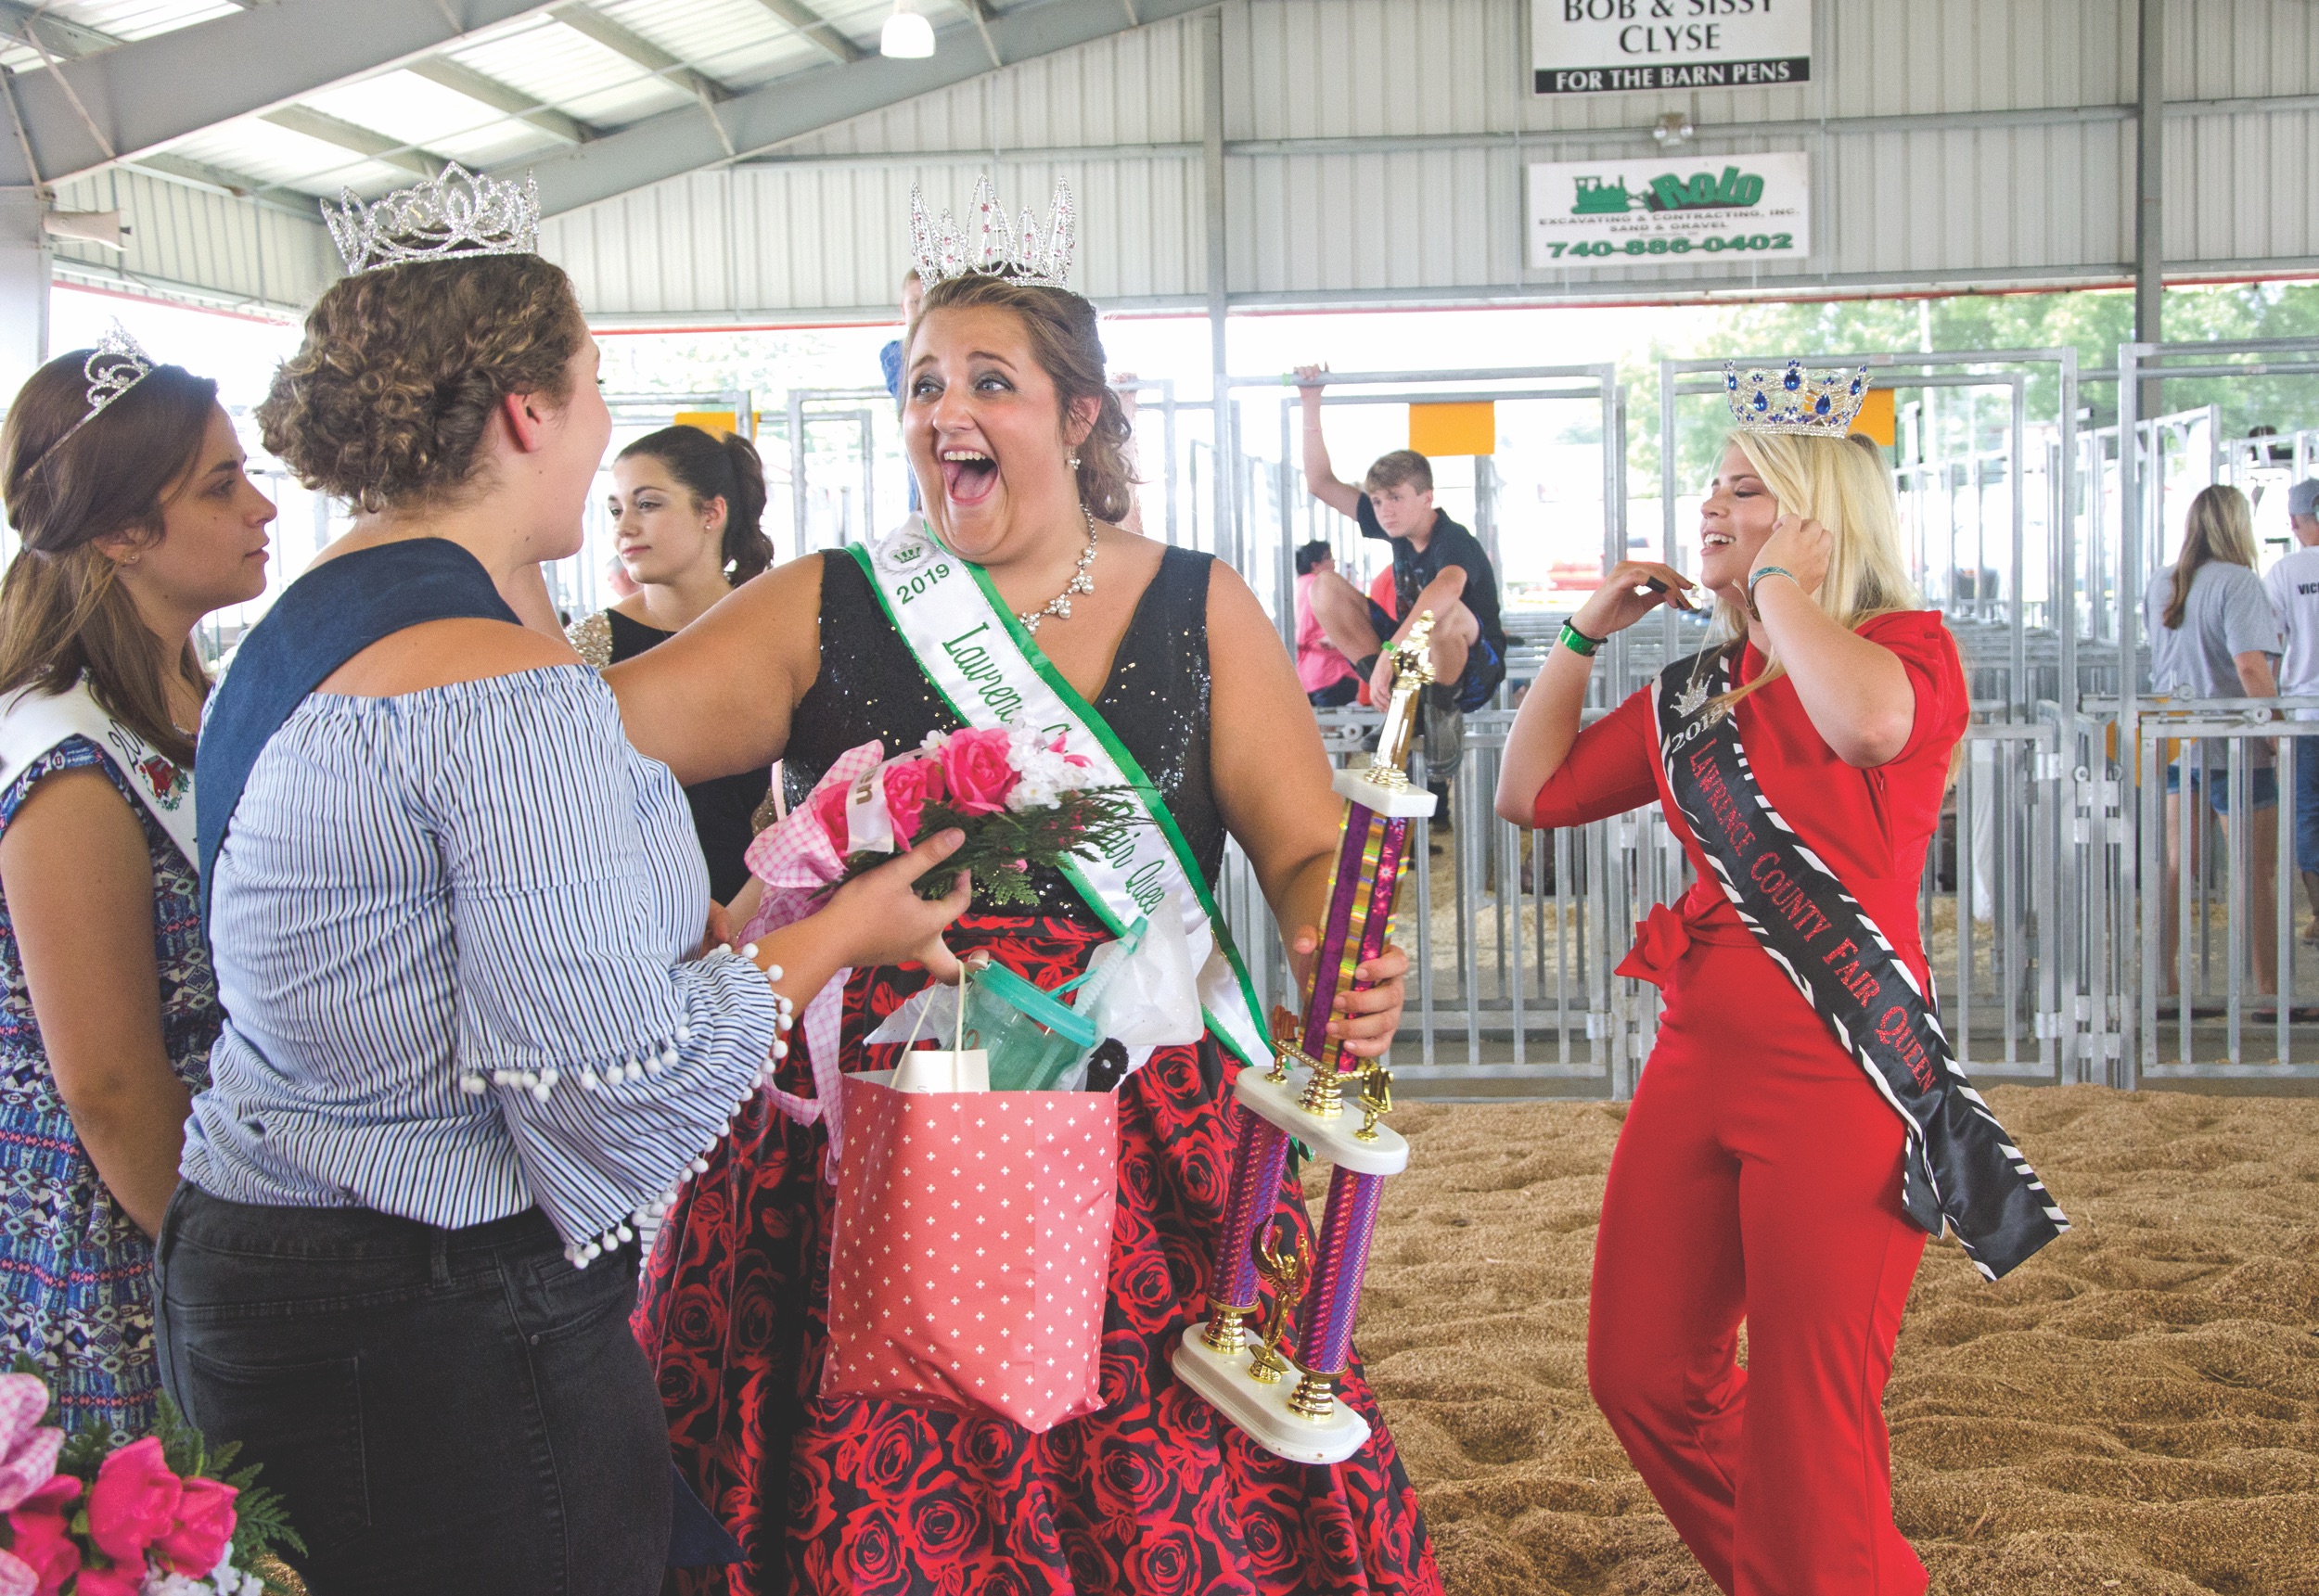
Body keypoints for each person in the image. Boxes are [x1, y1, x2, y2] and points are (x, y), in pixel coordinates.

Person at [603, 183, 1436, 1593]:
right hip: (868, 1132)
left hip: (1142, 1133)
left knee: (1173, 1485)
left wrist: (1328, 942)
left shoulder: (1200, 604)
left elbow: (1302, 846)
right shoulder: (834, 598)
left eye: (992, 380)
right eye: (926, 383)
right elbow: (579, 745)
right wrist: (701, 921)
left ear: (1082, 415)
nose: (949, 413)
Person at [154, 167, 970, 1596]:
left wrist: (755, 901)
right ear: (528, 413)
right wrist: (844, 929)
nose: (599, 425)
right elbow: (618, 1080)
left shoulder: (297, 634)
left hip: (255, 1249)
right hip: (433, 1312)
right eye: (592, 384)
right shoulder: (508, 698)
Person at [1494, 377, 2062, 1596]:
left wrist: (1784, 592)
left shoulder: (1906, 650)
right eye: (1712, 482)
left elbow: (1862, 727)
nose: (1710, 505)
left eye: (1746, 490)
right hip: (1697, 1060)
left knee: (1814, 1419)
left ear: (1817, 523)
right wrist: (1583, 635)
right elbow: (1527, 795)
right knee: (1641, 1372)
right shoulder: (1694, 694)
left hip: (1843, 1070)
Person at [0, 332, 274, 1441]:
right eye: (222, 484)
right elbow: (110, 1084)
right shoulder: (64, 758)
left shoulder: (187, 699)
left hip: (203, 1186)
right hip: (124, 1232)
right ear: (121, 531)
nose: (260, 506)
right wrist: (236, 1278)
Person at [569, 424, 776, 901]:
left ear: (712, 511)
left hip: (771, 911)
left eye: (647, 504)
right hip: (632, 913)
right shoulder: (590, 646)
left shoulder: (774, 628)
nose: (624, 527)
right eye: (616, 510)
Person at [1292, 364, 1507, 788]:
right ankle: (1397, 706)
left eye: (1395, 497)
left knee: (1443, 609)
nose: (1384, 509)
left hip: (1470, 672)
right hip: (1414, 659)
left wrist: (1390, 653)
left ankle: (1442, 714)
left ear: (1427, 498)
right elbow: (1319, 482)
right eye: (1376, 500)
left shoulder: (1452, 539)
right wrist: (1310, 402)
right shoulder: (1392, 525)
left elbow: (1446, 588)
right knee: (1325, 587)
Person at [2147, 483, 2283, 999]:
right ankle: (2268, 987)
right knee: (2254, 871)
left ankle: (2164, 980)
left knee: (2177, 864)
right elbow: (2251, 666)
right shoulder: (2239, 582)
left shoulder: (2163, 582)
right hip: (2235, 745)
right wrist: (2274, 731)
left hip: (2178, 740)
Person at [2261, 477, 2319, 940]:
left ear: (2299, 522)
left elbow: (2269, 645)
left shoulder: (2286, 571)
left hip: (2306, 712)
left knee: (2308, 812)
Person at [878, 268, 926, 515]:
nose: (922, 309)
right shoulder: (894, 354)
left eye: (929, 300)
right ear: (903, 308)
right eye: (915, 302)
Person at [1293, 538, 1360, 707]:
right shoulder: (1318, 585)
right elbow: (1307, 633)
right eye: (1329, 558)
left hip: (1308, 675)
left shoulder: (1300, 585)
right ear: (1315, 565)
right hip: (1332, 672)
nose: (1334, 564)